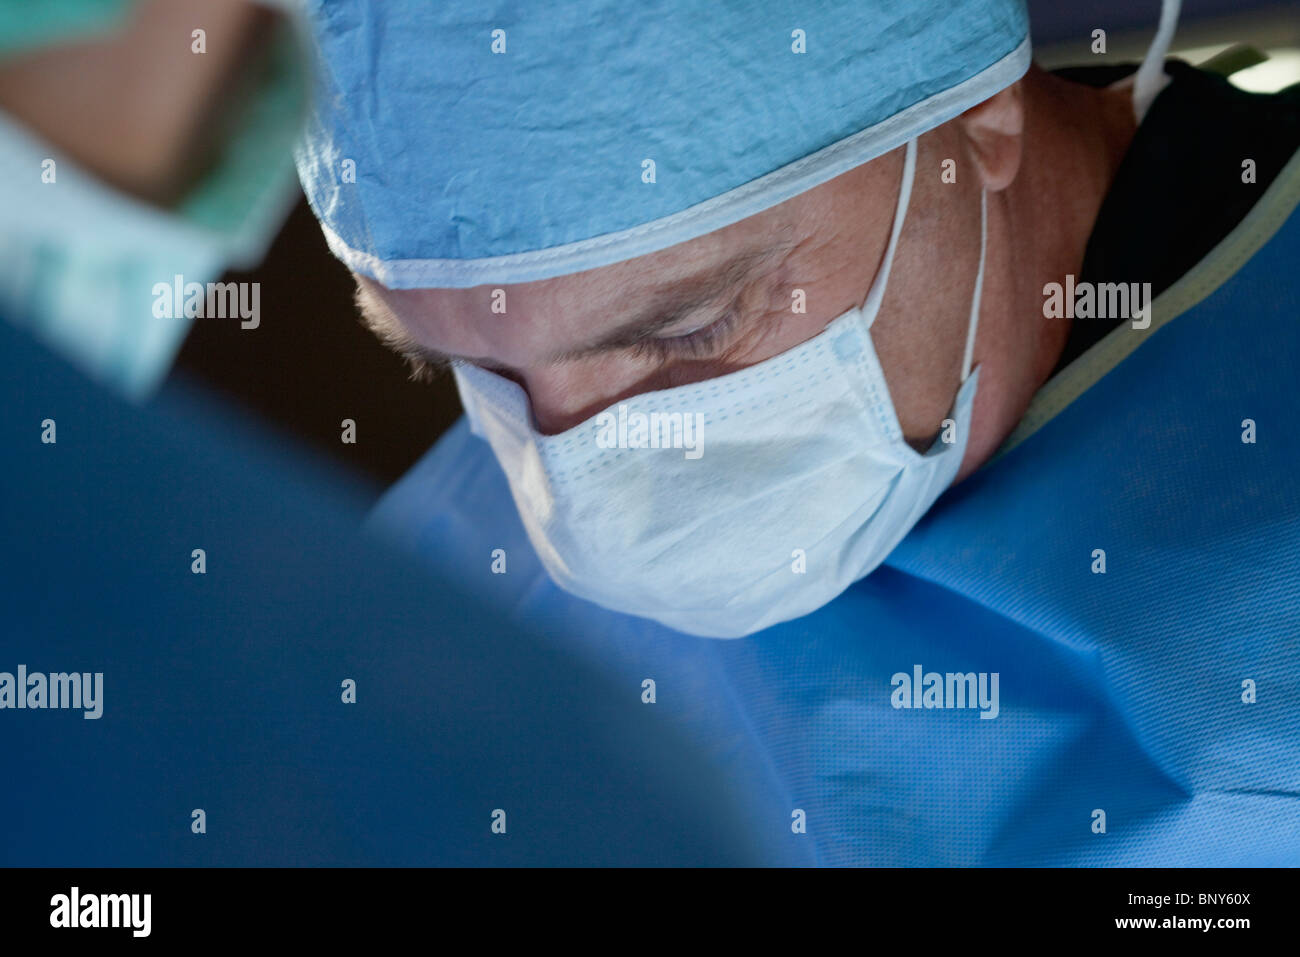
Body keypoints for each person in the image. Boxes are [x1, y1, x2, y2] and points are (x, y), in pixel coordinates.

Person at [295, 0, 1300, 864]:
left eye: (692, 330)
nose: (582, 489)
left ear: (975, 119)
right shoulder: (444, 581)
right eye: (471, 369)